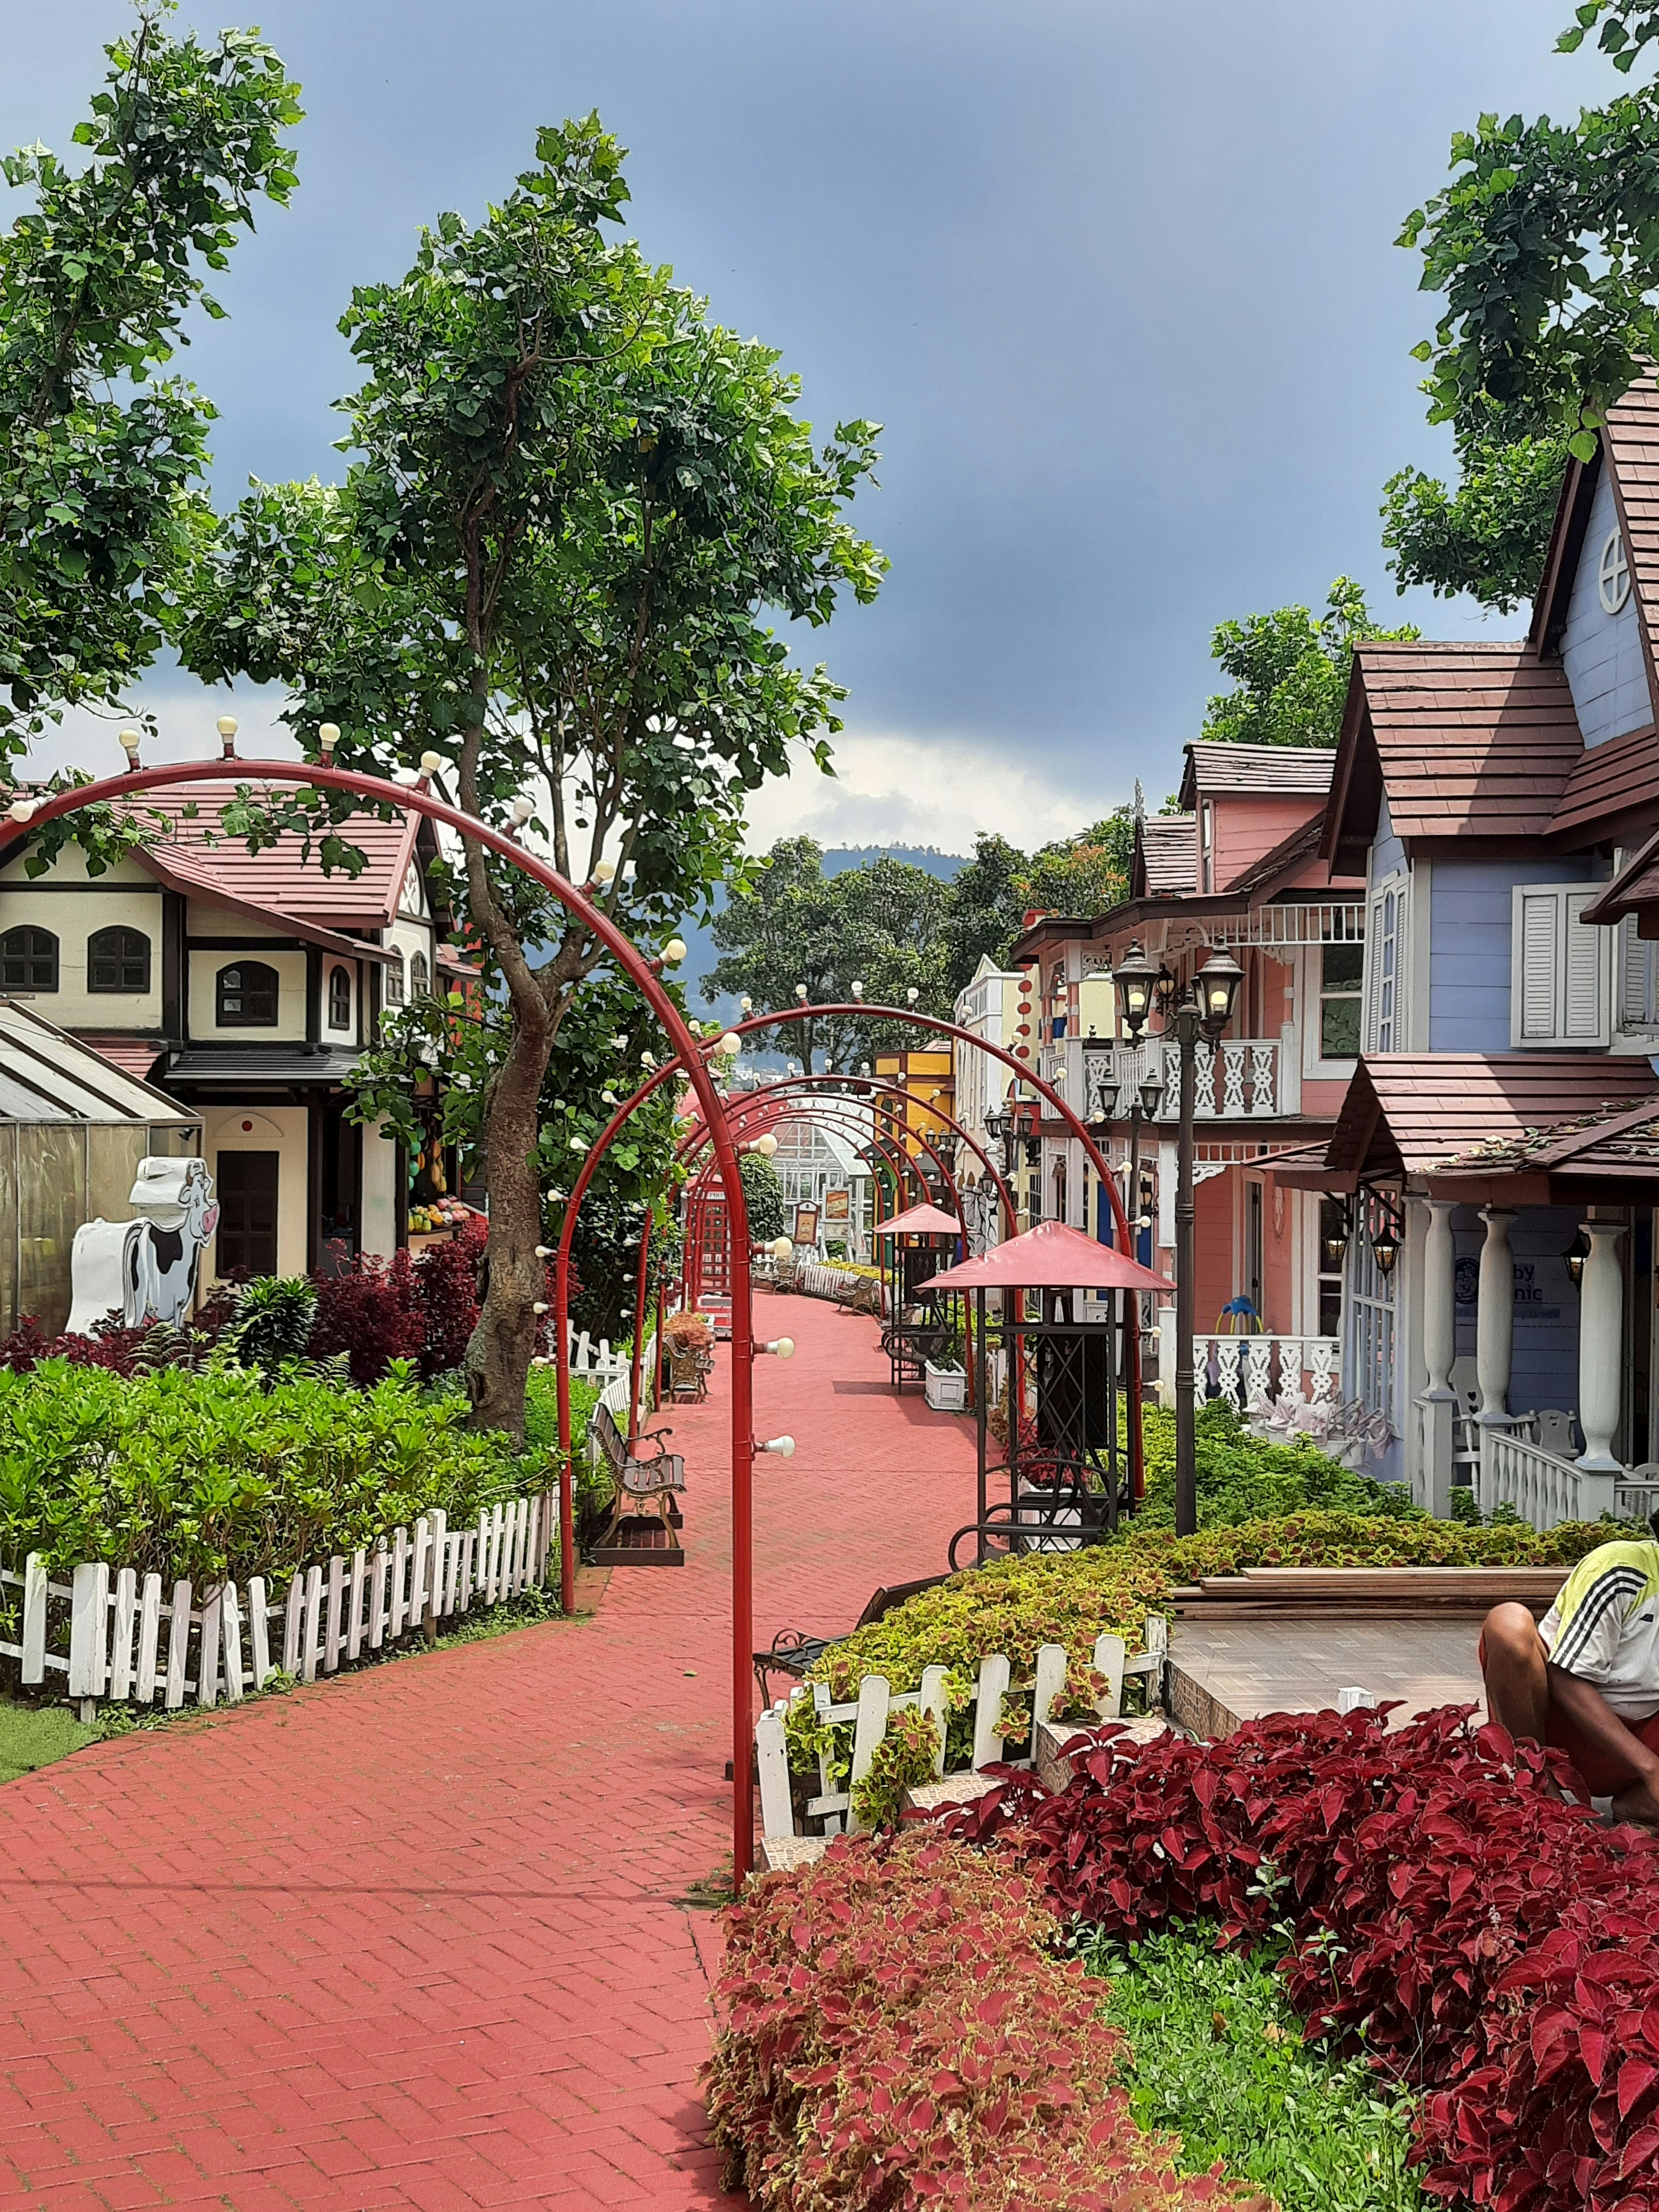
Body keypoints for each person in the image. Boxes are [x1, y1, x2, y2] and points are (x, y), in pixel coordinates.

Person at [1482, 1534, 1659, 1824]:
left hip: (1644, 1737)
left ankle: (1640, 1803)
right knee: (1507, 1623)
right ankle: (1538, 1784)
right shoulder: (1622, 1569)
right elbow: (1566, 1679)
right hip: (1562, 1727)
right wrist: (1652, 1768)